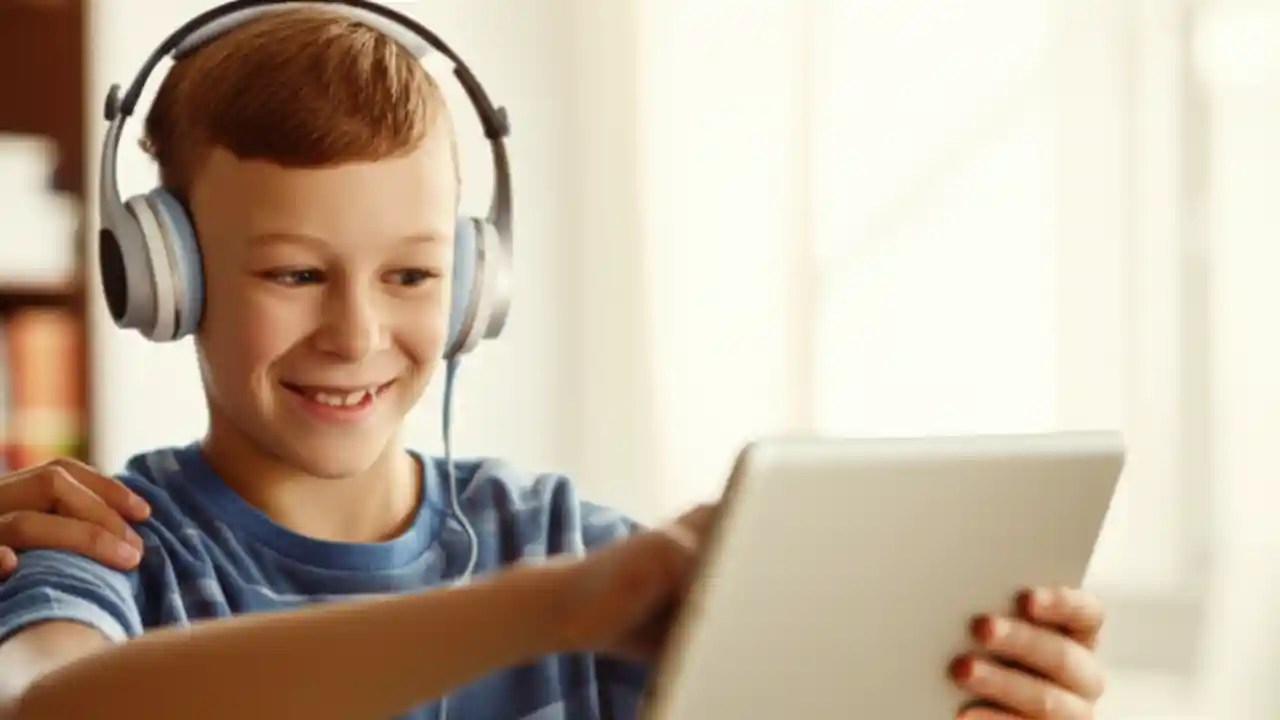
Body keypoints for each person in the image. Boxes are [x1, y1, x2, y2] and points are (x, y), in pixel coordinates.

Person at [0, 5, 1108, 719]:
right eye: (294, 273)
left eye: (412, 275)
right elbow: (50, 705)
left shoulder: (567, 542)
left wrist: (966, 692)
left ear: (475, 285)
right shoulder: (105, 544)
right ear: (167, 277)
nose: (356, 333)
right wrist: (541, 614)